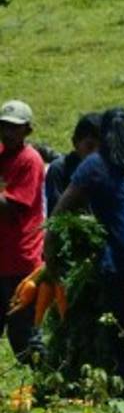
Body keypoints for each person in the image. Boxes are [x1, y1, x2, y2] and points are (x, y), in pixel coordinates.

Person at [47, 107, 124, 390]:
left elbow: (59, 215)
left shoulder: (94, 165)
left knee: (121, 349)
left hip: (121, 269)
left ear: (102, 138)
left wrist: (51, 258)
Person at [0, 100, 45, 364]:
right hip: (2, 259)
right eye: (4, 126)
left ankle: (44, 384)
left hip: (20, 260)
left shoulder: (30, 160)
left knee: (22, 333)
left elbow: (12, 207)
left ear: (27, 130)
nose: (8, 132)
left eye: (14, 128)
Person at [44, 112, 101, 213]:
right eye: (90, 147)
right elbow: (56, 218)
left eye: (101, 148)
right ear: (75, 143)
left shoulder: (107, 171)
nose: (95, 153)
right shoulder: (60, 169)